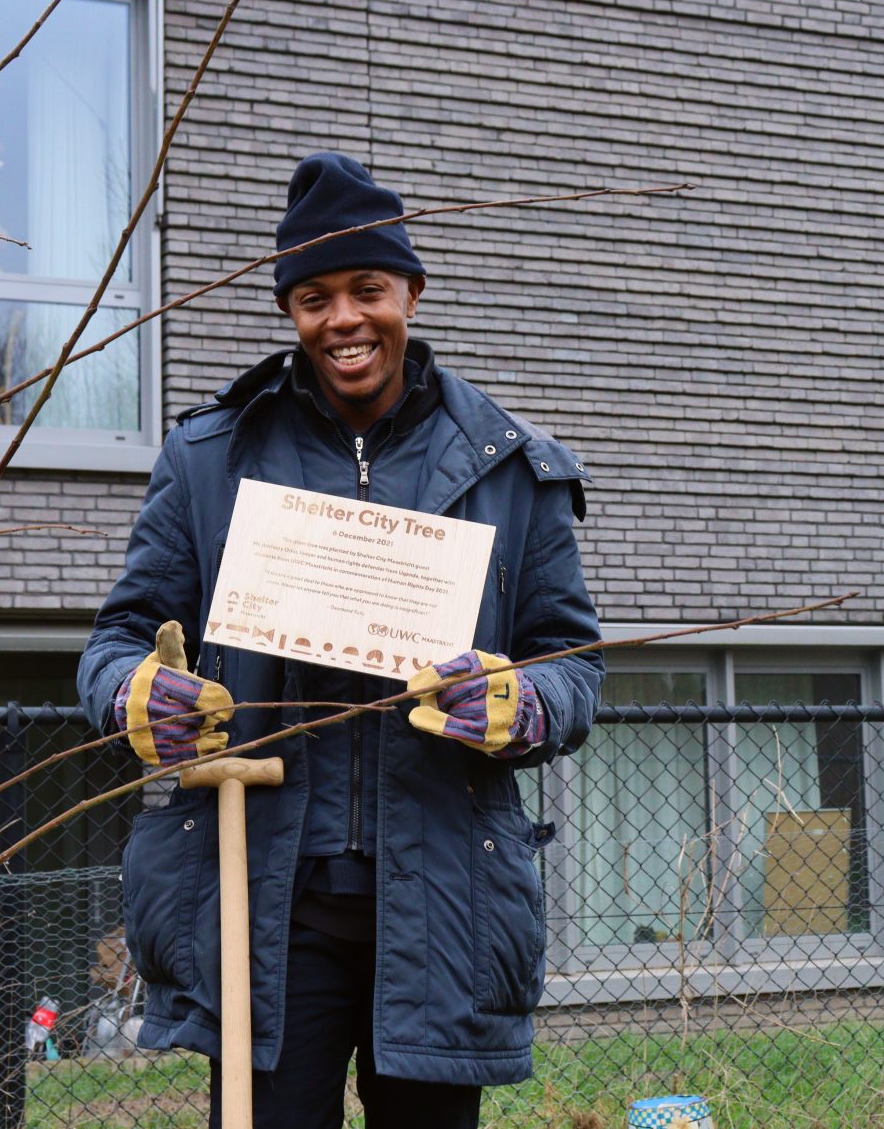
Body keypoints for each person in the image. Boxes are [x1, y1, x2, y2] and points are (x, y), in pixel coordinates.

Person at [78, 152, 603, 1129]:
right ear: (291, 311)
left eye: (367, 288)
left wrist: (522, 703)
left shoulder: (511, 470)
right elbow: (112, 642)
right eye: (315, 297)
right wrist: (135, 693)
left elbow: (572, 664)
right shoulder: (209, 460)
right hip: (265, 897)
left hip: (445, 898)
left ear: (411, 289)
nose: (345, 319)